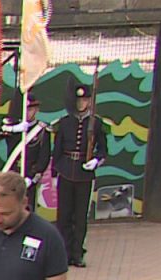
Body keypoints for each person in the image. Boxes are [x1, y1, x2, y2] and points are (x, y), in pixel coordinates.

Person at [50, 81, 109, 268]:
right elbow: (57, 149)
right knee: (64, 216)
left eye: (85, 100)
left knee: (80, 216)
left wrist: (96, 161)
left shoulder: (97, 123)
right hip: (66, 171)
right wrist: (54, 173)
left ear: (90, 101)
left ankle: (78, 253)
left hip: (84, 174)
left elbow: (103, 150)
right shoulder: (65, 123)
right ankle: (63, 253)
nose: (81, 103)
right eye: (79, 100)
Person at [1, 93, 52, 208]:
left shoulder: (41, 130)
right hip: (12, 175)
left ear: (37, 110)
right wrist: (14, 128)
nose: (28, 112)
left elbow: (44, 157)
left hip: (29, 176)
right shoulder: (12, 126)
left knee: (28, 210)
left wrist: (32, 176)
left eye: (31, 109)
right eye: (25, 109)